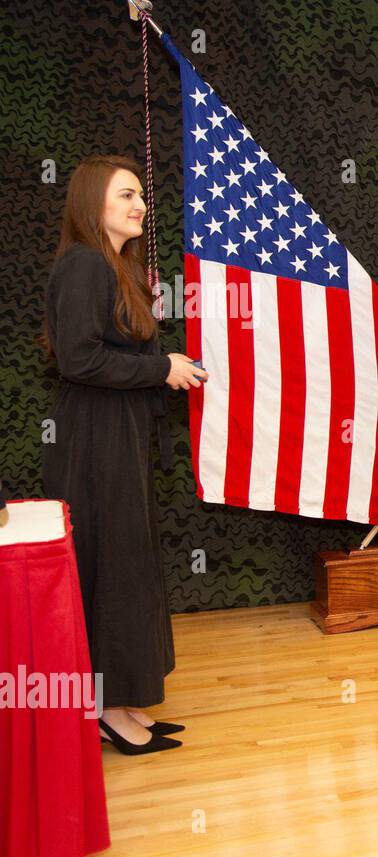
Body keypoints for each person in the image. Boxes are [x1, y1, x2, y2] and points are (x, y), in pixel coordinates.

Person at [41, 156, 207, 756]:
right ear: (94, 203)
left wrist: (164, 370)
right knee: (109, 567)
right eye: (126, 195)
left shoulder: (113, 267)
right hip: (93, 438)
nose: (140, 205)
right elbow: (78, 360)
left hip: (119, 431)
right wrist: (162, 368)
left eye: (141, 195)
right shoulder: (85, 263)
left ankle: (124, 699)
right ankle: (108, 709)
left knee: (127, 564)